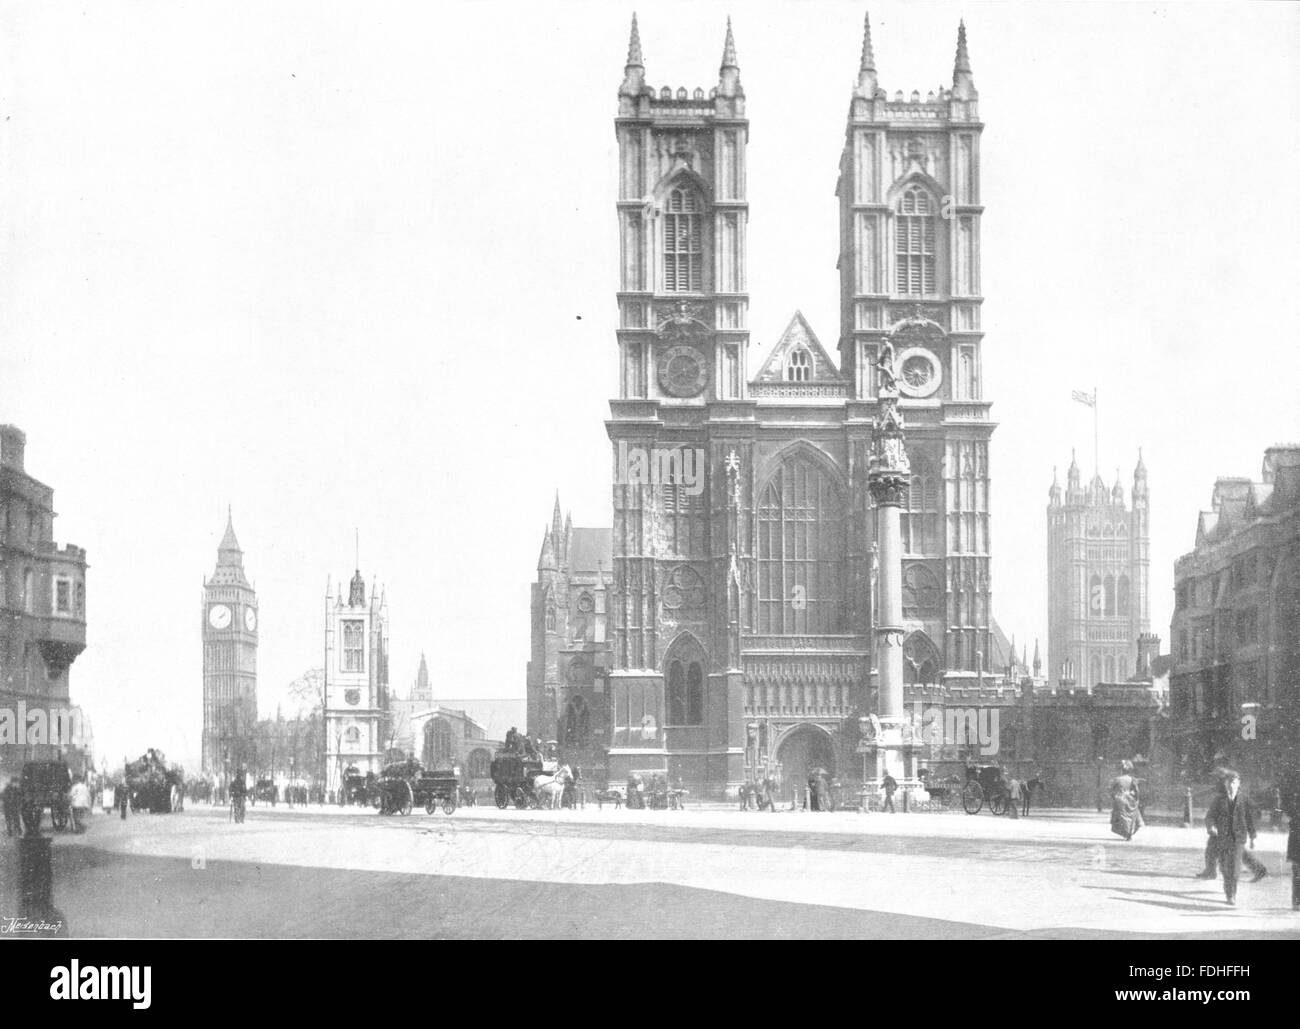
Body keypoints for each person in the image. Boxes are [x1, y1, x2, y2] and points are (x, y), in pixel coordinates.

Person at [1205, 770, 1263, 905]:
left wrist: (1253, 836)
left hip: (1239, 838)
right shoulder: (1219, 800)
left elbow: (1250, 819)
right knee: (1226, 867)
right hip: (1223, 837)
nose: (1231, 785)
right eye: (1228, 782)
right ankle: (1229, 893)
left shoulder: (1244, 800)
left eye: (1234, 782)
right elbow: (1210, 816)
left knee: (1234, 868)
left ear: (1238, 784)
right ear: (1225, 784)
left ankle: (1231, 895)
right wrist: (1211, 827)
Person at [1109, 760, 1144, 841]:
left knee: (1122, 817)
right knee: (1132, 816)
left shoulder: (1117, 779)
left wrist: (1114, 797)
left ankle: (1127, 833)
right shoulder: (1132, 779)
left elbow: (1111, 790)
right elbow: (1136, 791)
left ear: (1121, 770)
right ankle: (1129, 833)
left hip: (1120, 798)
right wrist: (1136, 800)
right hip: (1130, 799)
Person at [1281, 768, 1300, 911]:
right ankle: (1297, 901)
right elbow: (1285, 804)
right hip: (1298, 831)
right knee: (1298, 869)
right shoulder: (1293, 782)